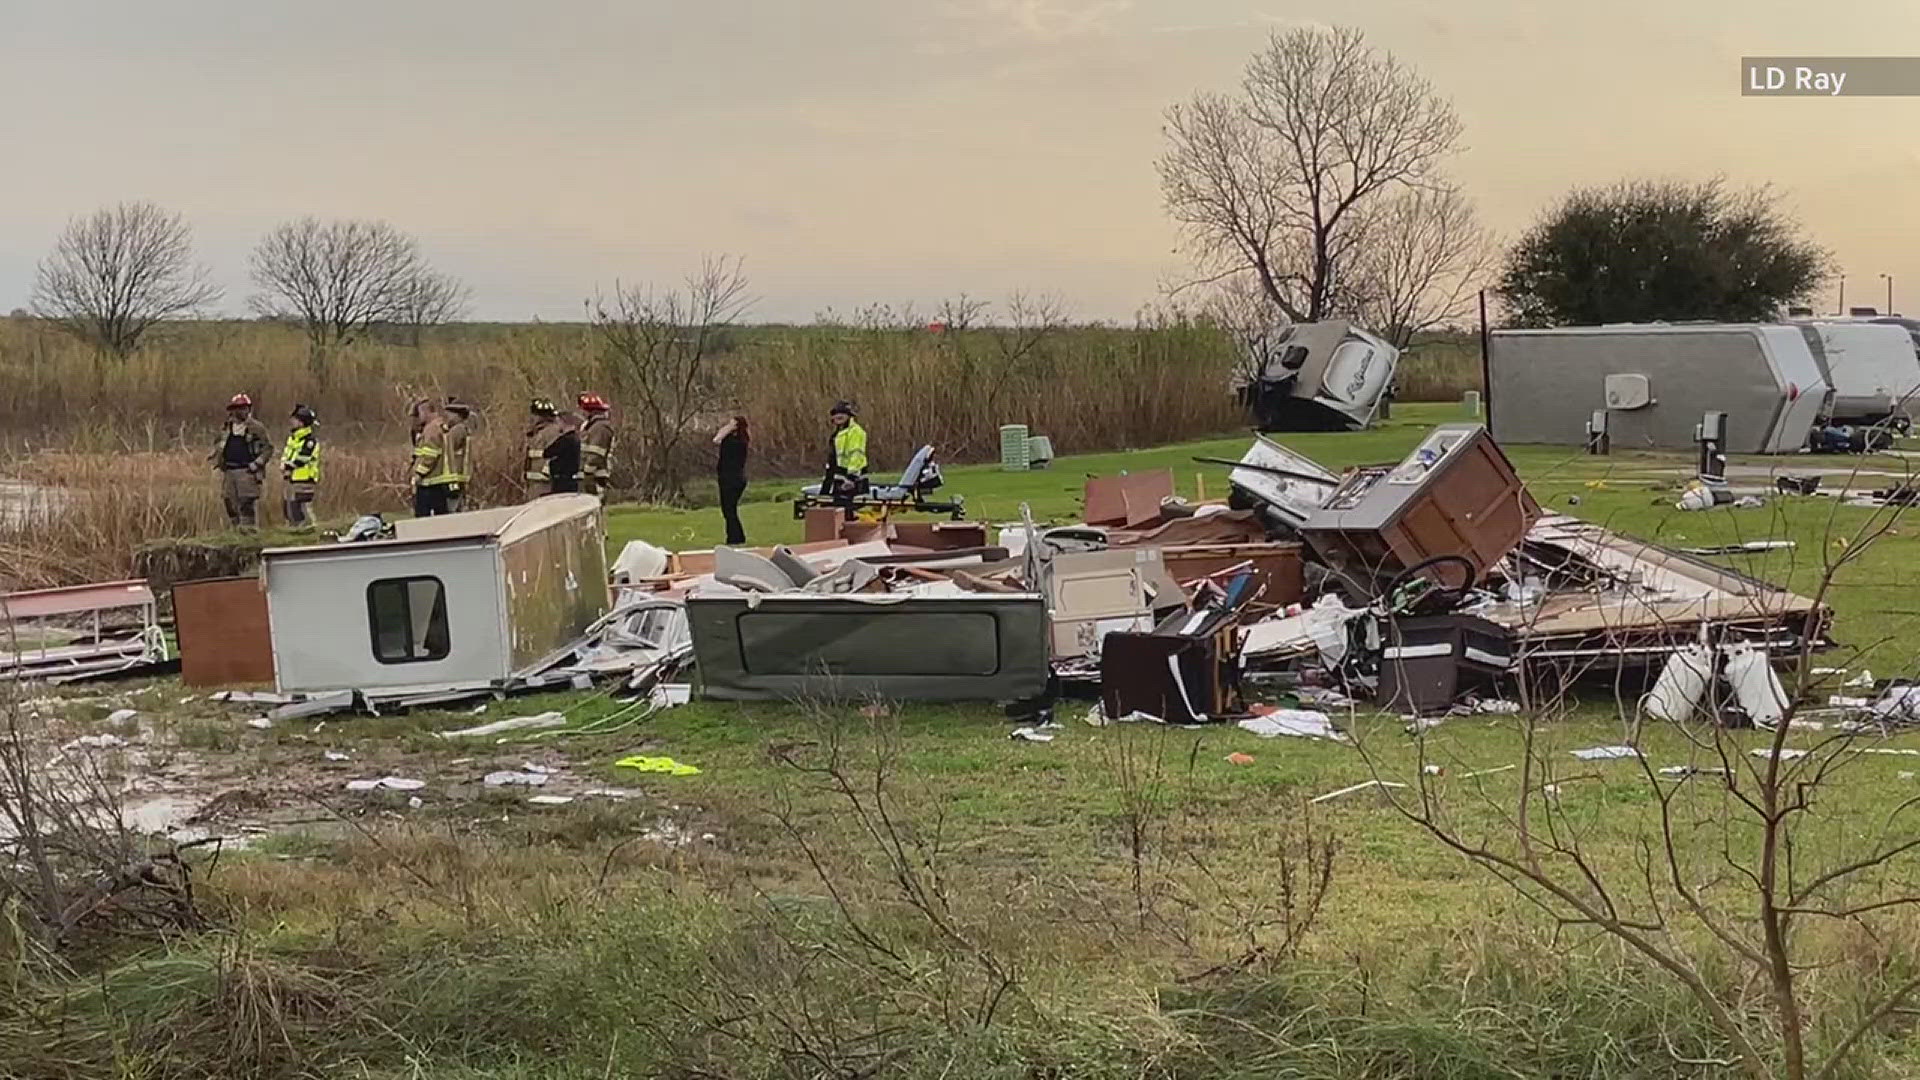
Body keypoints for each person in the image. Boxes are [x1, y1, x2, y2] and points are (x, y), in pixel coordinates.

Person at [209, 393, 271, 529]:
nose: (242, 411)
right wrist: (216, 458)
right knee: (229, 502)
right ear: (232, 410)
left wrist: (257, 464)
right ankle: (236, 532)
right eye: (238, 408)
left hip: (247, 471)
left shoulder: (257, 428)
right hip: (229, 471)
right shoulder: (226, 428)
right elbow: (218, 444)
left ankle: (250, 532)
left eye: (245, 408)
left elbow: (268, 449)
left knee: (247, 503)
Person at [411, 399, 459, 516]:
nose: (419, 417)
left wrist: (418, 473)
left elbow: (430, 455)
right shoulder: (441, 426)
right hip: (441, 480)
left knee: (423, 517)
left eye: (420, 413)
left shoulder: (431, 429)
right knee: (441, 517)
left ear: (427, 411)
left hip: (430, 481)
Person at [524, 398, 581, 497]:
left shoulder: (553, 432)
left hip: (547, 485)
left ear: (542, 416)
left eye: (535, 415)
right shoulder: (536, 433)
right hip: (534, 485)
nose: (532, 418)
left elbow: (555, 456)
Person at [824, 400, 868, 514]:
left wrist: (851, 478)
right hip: (839, 477)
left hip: (851, 479)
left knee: (847, 511)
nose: (838, 416)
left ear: (849, 415)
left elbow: (856, 455)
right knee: (837, 511)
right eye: (835, 414)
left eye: (842, 413)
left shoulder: (855, 432)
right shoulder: (838, 434)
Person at [280, 404, 320, 529]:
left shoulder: (309, 441)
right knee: (289, 507)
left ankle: (310, 529)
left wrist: (288, 467)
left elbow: (302, 458)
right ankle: (294, 529)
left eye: (295, 419)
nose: (292, 422)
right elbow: (287, 454)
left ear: (302, 422)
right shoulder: (293, 438)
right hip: (291, 479)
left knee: (303, 507)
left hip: (304, 479)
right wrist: (283, 464)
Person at [714, 415, 750, 545]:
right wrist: (729, 427)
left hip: (730, 479)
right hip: (735, 479)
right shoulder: (741, 440)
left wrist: (728, 428)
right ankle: (735, 536)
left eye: (731, 424)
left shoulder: (734, 442)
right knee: (730, 510)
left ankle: (735, 537)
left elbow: (717, 439)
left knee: (728, 510)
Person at [577, 393, 615, 496]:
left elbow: (596, 454)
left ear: (590, 412)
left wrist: (587, 472)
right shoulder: (592, 427)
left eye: (583, 410)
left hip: (595, 477)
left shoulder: (600, 428)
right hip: (590, 477)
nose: (582, 413)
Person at [441, 397, 472, 512]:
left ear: (458, 415)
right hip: (459, 477)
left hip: (454, 477)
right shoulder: (462, 429)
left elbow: (446, 448)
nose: (447, 416)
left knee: (452, 509)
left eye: (450, 414)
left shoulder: (457, 430)